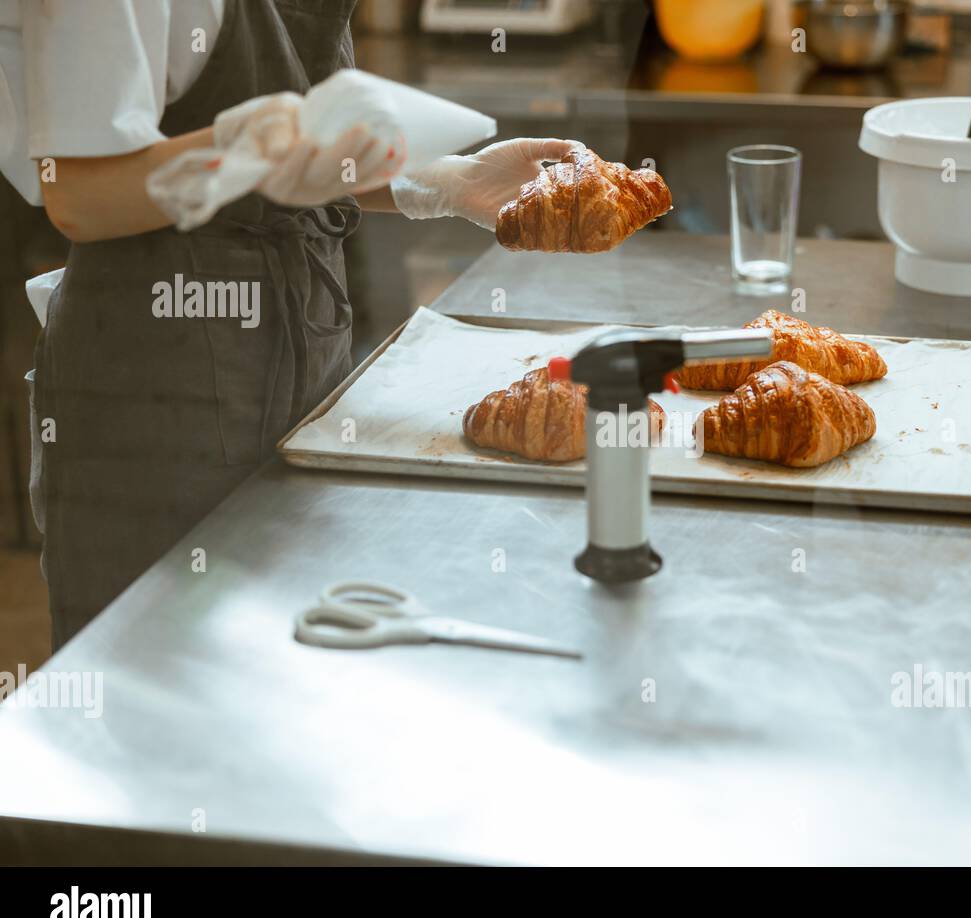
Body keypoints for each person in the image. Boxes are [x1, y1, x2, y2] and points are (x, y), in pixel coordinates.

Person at [0, 0, 572, 648]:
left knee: (292, 672)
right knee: (160, 677)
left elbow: (307, 153)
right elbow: (76, 192)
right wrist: (243, 150)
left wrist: (450, 182)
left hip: (304, 359)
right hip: (157, 392)